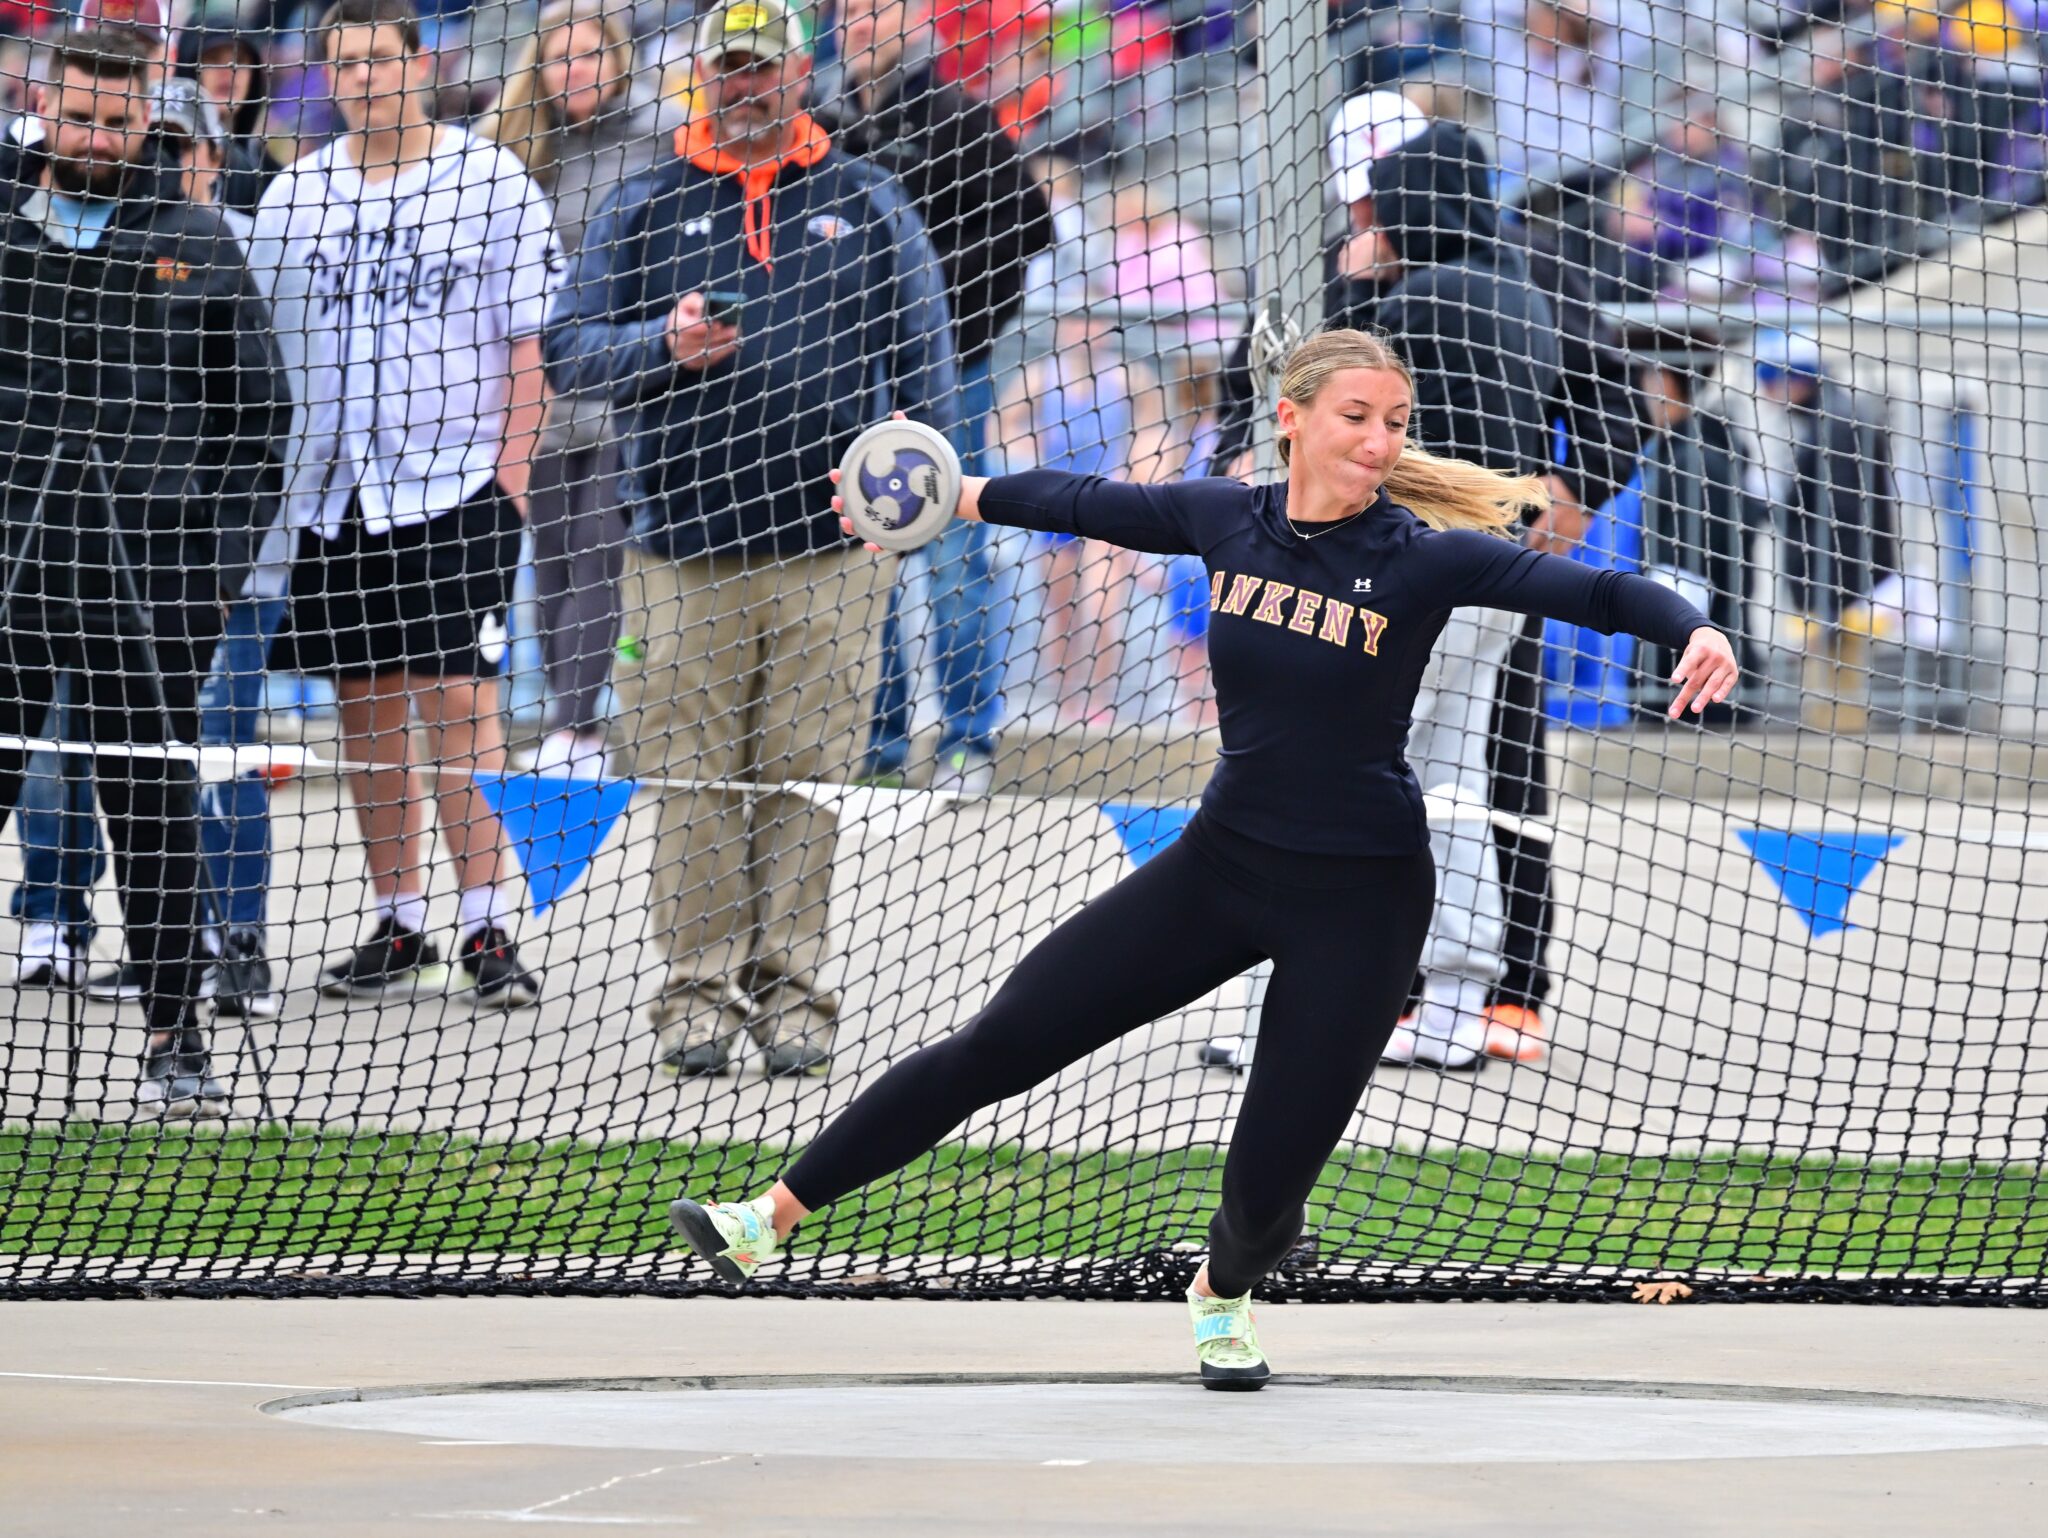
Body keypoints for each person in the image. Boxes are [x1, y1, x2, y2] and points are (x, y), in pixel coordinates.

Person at [664, 329, 1738, 1386]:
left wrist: (1691, 627)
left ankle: (1220, 1294)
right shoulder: (1224, 518)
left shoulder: (1422, 557)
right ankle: (767, 1218)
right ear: (1292, 418)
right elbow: (1081, 502)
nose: (1376, 440)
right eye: (1354, 416)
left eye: (1393, 423)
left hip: (1360, 900)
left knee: (1268, 1187)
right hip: (1219, 868)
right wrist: (952, 488)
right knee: (996, 1043)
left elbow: (1595, 592)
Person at [544, 0, 958, 1077]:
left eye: (761, 69)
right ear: (700, 78)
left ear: (796, 74)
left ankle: (794, 991)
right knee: (690, 779)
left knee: (806, 774)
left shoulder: (867, 197)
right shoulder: (643, 200)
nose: (743, 87)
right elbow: (568, 352)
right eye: (725, 69)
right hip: (674, 550)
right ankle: (695, 992)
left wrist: (899, 503)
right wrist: (663, 343)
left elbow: (927, 374)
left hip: (830, 555)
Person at [0, 25, 290, 1112]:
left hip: (153, 579)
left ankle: (176, 1042)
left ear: (146, 121)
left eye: (119, 122)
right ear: (46, 106)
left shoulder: (199, 236)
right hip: (13, 572)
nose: (96, 137)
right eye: (79, 116)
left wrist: (215, 569)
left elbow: (260, 422)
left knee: (153, 816)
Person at [247, 0, 557, 1007]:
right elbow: (263, 348)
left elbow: (530, 346)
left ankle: (484, 923)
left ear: (419, 63)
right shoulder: (296, 193)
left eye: (381, 60)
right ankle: (401, 917)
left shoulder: (489, 181)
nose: (365, 79)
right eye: (346, 63)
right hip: (334, 494)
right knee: (366, 706)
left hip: (456, 480)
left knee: (462, 703)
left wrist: (510, 480)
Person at [812, 0, 1053, 795]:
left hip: (948, 376)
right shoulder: (817, 122)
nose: (860, 24)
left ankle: (965, 743)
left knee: (952, 548)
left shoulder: (955, 117)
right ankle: (874, 742)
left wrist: (946, 325)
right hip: (848, 378)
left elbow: (1027, 230)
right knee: (858, 549)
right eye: (848, 11)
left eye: (877, 10)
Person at [485, 0, 680, 778]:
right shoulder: (514, 147)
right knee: (551, 559)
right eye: (561, 57)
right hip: (537, 390)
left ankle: (580, 725)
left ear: (619, 60)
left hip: (624, 380)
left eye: (590, 55)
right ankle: (570, 723)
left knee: (605, 557)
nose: (575, 71)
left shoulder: (658, 140)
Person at [177, 24, 281, 213]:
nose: (228, 71)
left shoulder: (269, 171)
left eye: (239, 60)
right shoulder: (164, 154)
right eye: (213, 60)